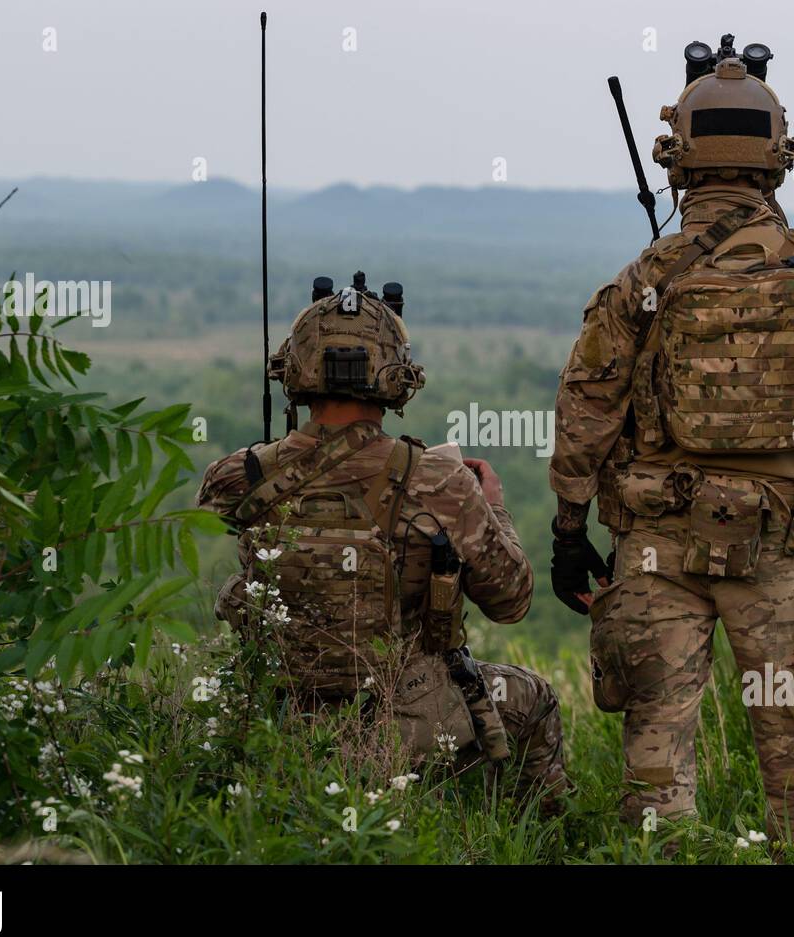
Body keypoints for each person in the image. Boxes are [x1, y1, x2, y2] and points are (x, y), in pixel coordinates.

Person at [549, 50, 794, 861]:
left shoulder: (645, 276)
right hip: (778, 553)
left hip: (653, 551)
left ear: (677, 162)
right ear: (780, 159)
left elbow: (586, 413)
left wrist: (570, 532)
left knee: (655, 778)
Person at [199, 275, 568, 810]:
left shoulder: (239, 476)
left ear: (295, 369)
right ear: (396, 376)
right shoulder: (437, 479)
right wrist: (492, 506)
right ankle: (515, 837)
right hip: (403, 719)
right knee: (533, 698)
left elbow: (220, 505)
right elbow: (512, 601)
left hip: (279, 717)